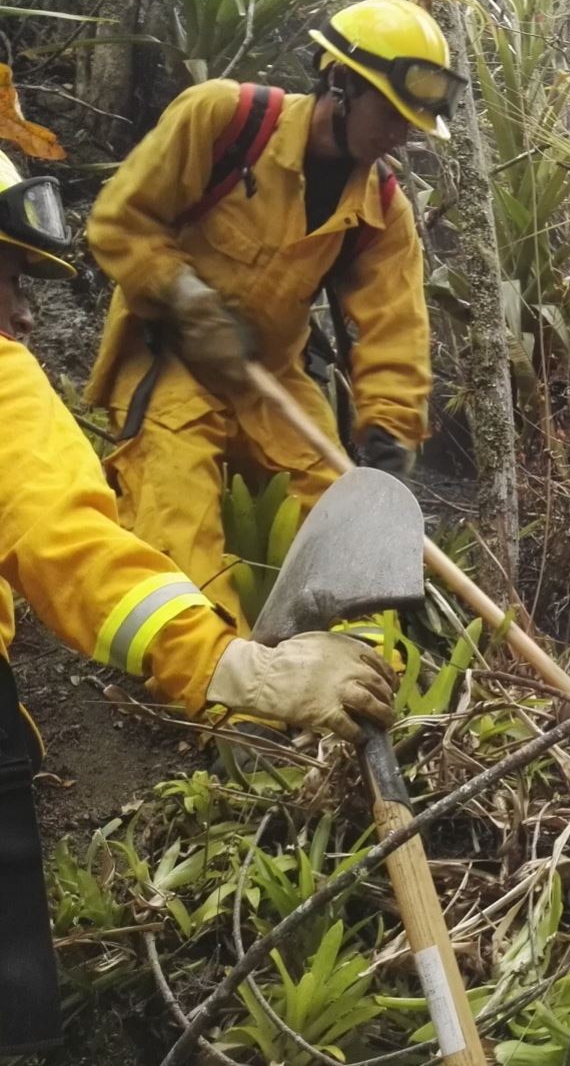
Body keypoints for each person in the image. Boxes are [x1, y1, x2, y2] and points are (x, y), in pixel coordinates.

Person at [0, 154, 396, 1054]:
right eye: (12, 276)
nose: (24, 316)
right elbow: (72, 547)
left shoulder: (374, 205)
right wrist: (236, 668)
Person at [84, 0, 460, 624]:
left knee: (339, 526)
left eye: (412, 122)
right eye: (392, 114)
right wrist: (185, 298)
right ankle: (214, 672)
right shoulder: (224, 120)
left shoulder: (383, 211)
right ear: (340, 82)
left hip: (273, 378)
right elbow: (120, 220)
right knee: (177, 525)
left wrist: (389, 437)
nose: (401, 135)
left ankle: (353, 661)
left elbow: (396, 329)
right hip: (170, 359)